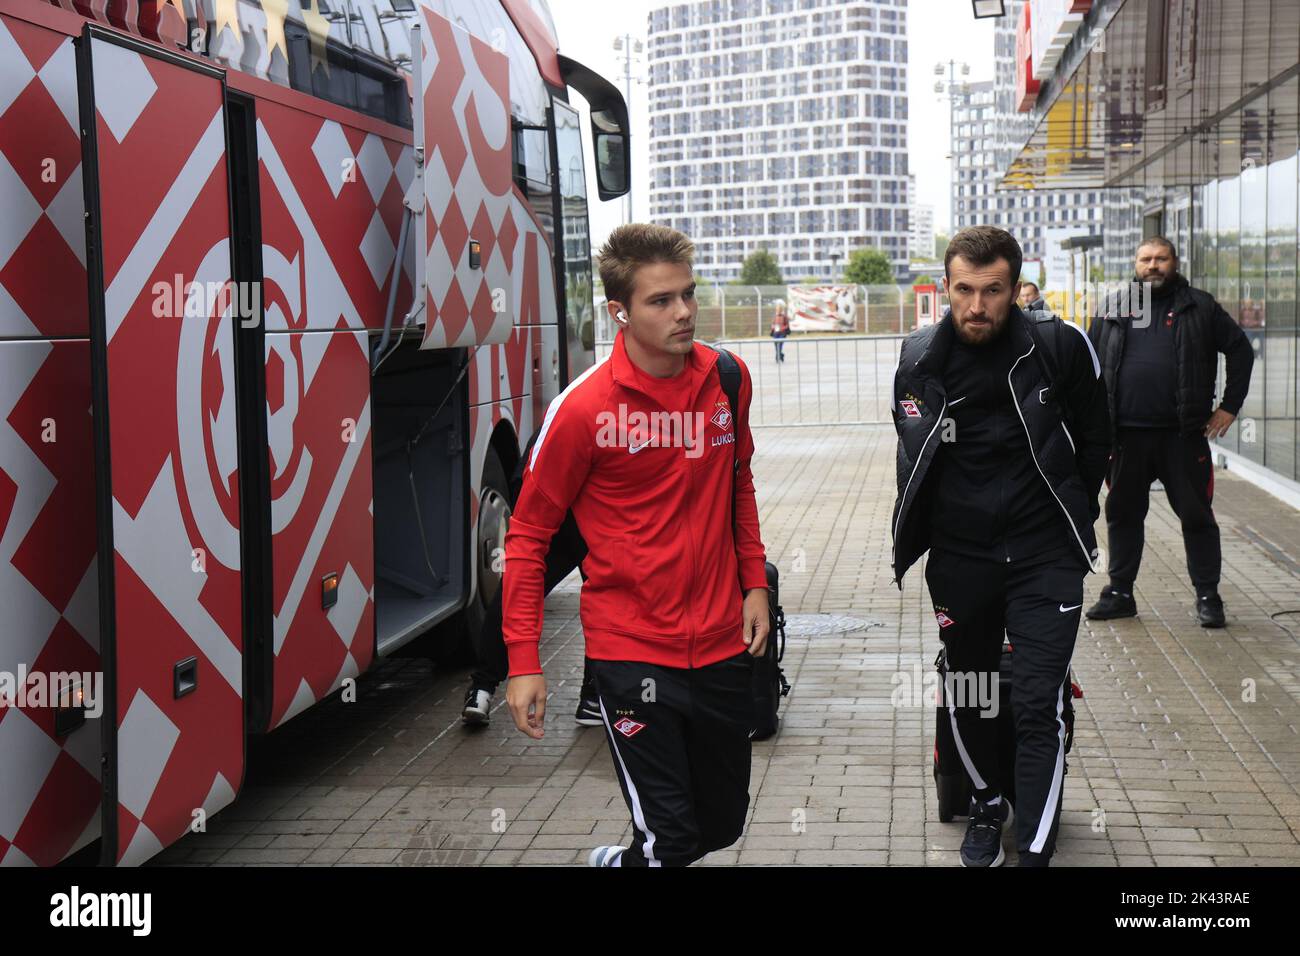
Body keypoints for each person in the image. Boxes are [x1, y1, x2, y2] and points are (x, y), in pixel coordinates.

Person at [501, 223, 770, 867]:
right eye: (660, 301)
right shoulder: (583, 410)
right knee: (671, 840)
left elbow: (739, 485)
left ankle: (614, 863)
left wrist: (755, 582)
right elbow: (528, 536)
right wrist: (522, 660)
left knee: (722, 826)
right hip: (632, 656)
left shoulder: (727, 379)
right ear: (619, 312)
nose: (683, 313)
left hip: (720, 647)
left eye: (688, 294)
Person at [891, 226, 1110, 867]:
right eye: (964, 290)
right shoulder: (919, 357)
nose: (977, 305)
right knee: (969, 686)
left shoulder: (1060, 346)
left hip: (1046, 558)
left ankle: (1035, 847)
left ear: (1015, 289)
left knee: (1039, 699)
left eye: (992, 291)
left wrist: (1071, 510)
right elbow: (914, 454)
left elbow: (1097, 439)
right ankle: (987, 804)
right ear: (946, 288)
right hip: (962, 559)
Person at [1085, 237, 1255, 628]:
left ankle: (1208, 596)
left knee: (1197, 517)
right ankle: (1120, 593)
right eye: (1146, 259)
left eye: (1161, 258)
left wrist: (1229, 406)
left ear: (1174, 262)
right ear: (1136, 263)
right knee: (1123, 516)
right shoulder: (1113, 306)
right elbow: (1088, 362)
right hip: (1126, 436)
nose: (1153, 265)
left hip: (1182, 436)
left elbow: (1241, 350)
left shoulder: (1200, 305)